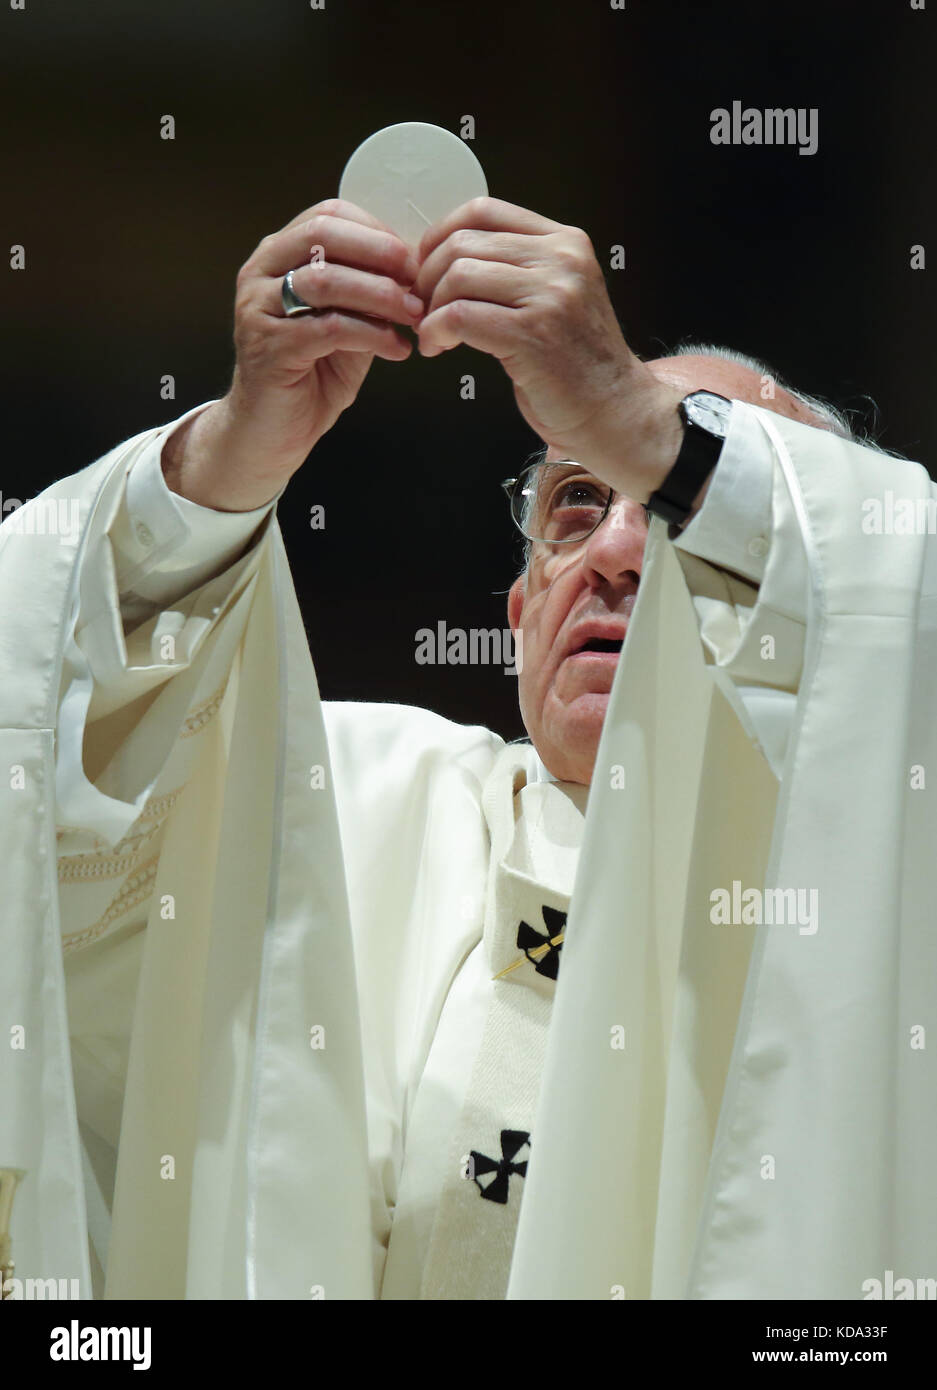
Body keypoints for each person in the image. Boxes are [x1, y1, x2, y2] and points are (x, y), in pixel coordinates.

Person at [1, 197, 934, 1302]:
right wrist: (222, 467)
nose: (621, 551)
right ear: (519, 609)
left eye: (686, 507)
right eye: (577, 503)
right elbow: (53, 747)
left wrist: (639, 417)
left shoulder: (884, 881)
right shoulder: (336, 802)